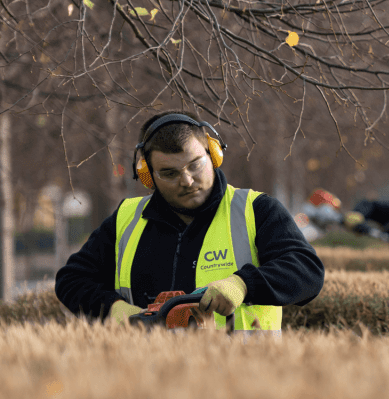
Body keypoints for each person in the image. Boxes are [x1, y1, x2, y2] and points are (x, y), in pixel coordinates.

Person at [55, 112, 325, 331]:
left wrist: (243, 284)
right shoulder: (126, 219)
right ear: (148, 175)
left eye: (195, 165)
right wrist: (114, 309)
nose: (187, 180)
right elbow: (72, 279)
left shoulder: (255, 210)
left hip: (244, 382)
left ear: (213, 154)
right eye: (169, 173)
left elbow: (307, 270)